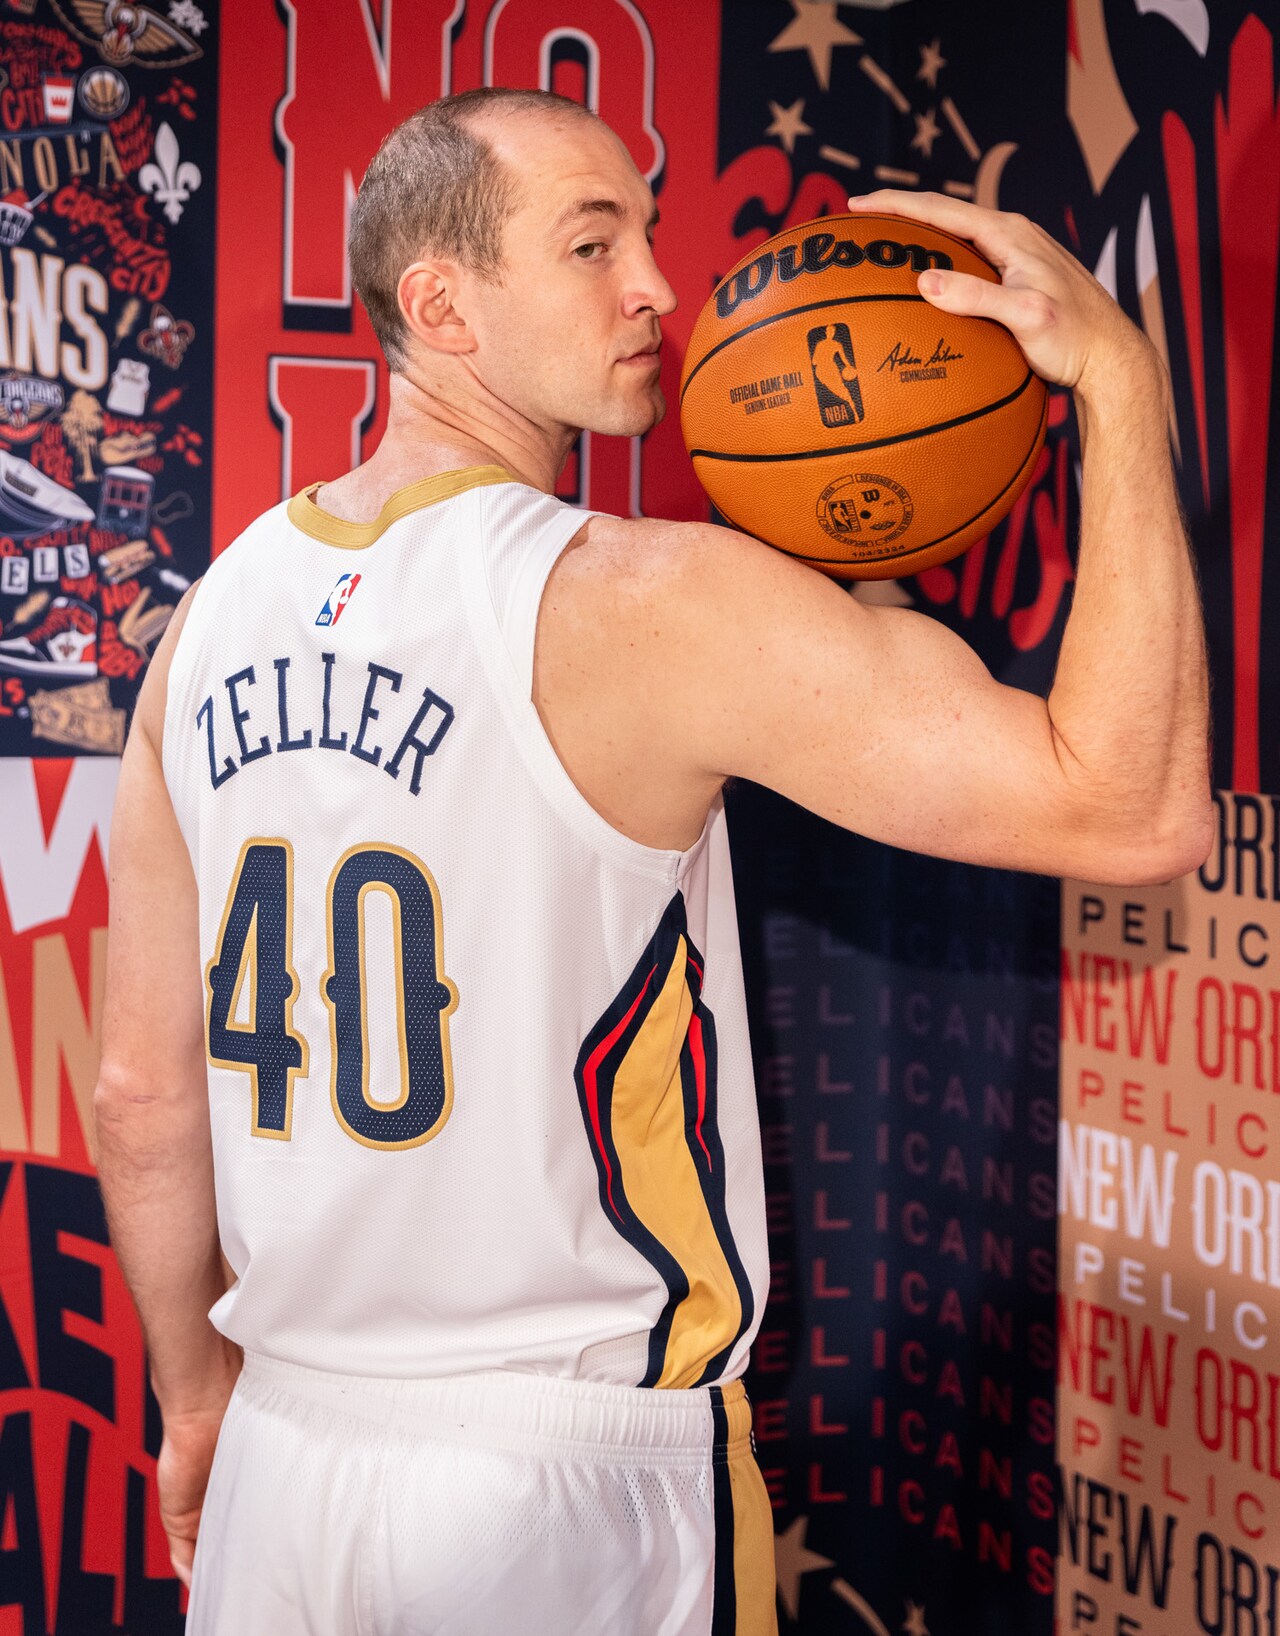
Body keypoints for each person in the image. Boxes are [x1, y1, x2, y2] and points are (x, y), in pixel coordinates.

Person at [94, 87, 1211, 1636]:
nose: (659, 288)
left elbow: (143, 1104)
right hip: (553, 1488)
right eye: (591, 242)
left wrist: (201, 1399)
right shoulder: (642, 602)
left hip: (286, 1457)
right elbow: (1134, 806)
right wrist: (1123, 386)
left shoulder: (198, 629)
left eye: (650, 235)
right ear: (441, 305)